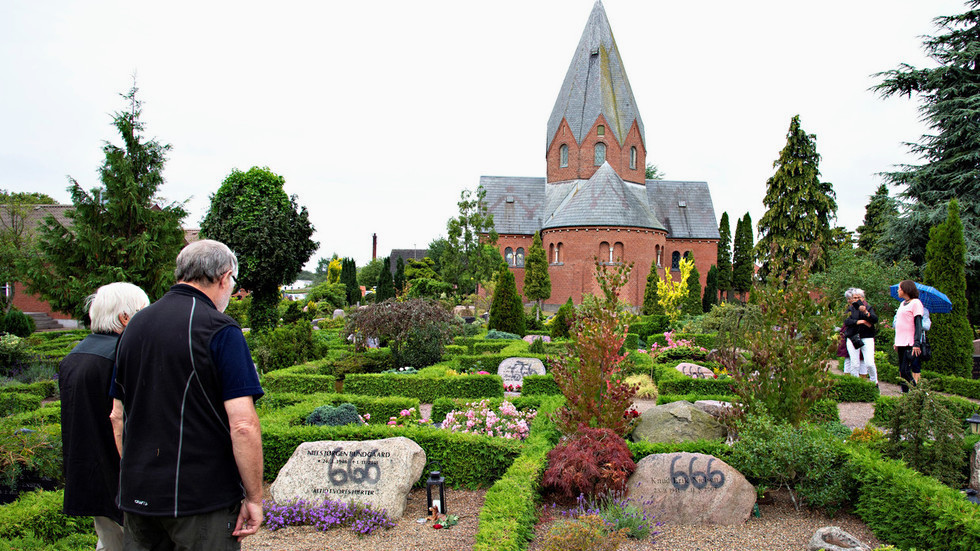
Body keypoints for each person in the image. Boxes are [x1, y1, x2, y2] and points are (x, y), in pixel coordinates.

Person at [110, 240, 264, 550]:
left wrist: (140, 474)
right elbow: (243, 425)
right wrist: (254, 497)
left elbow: (117, 415)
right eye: (232, 283)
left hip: (138, 497)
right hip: (200, 500)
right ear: (224, 277)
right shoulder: (219, 329)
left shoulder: (135, 326)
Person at [59, 282, 150, 551]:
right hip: (123, 478)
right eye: (143, 313)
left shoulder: (75, 356)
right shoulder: (123, 355)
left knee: (109, 542)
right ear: (125, 317)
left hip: (89, 477)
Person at [893, 279, 925, 393]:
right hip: (901, 342)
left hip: (910, 342)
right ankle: (905, 394)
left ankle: (916, 393)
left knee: (905, 370)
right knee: (902, 372)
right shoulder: (902, 303)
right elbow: (900, 324)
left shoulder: (916, 303)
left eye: (900, 289)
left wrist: (916, 343)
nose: (898, 291)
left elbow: (918, 324)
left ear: (906, 290)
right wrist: (896, 341)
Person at [843, 288, 878, 385]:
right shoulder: (850, 309)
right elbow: (846, 321)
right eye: (854, 297)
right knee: (854, 364)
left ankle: (874, 383)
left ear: (863, 298)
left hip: (867, 337)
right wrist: (859, 322)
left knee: (870, 363)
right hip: (853, 337)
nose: (856, 299)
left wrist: (866, 312)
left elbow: (874, 320)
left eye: (858, 297)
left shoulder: (868, 307)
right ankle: (855, 385)